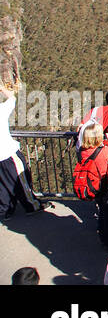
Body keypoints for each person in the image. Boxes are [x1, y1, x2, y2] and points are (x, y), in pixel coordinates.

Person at [0, 83, 44, 219]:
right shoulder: (1, 110)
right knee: (22, 180)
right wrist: (2, 88)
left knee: (2, 184)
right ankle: (32, 205)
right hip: (8, 153)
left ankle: (5, 211)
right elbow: (12, 98)